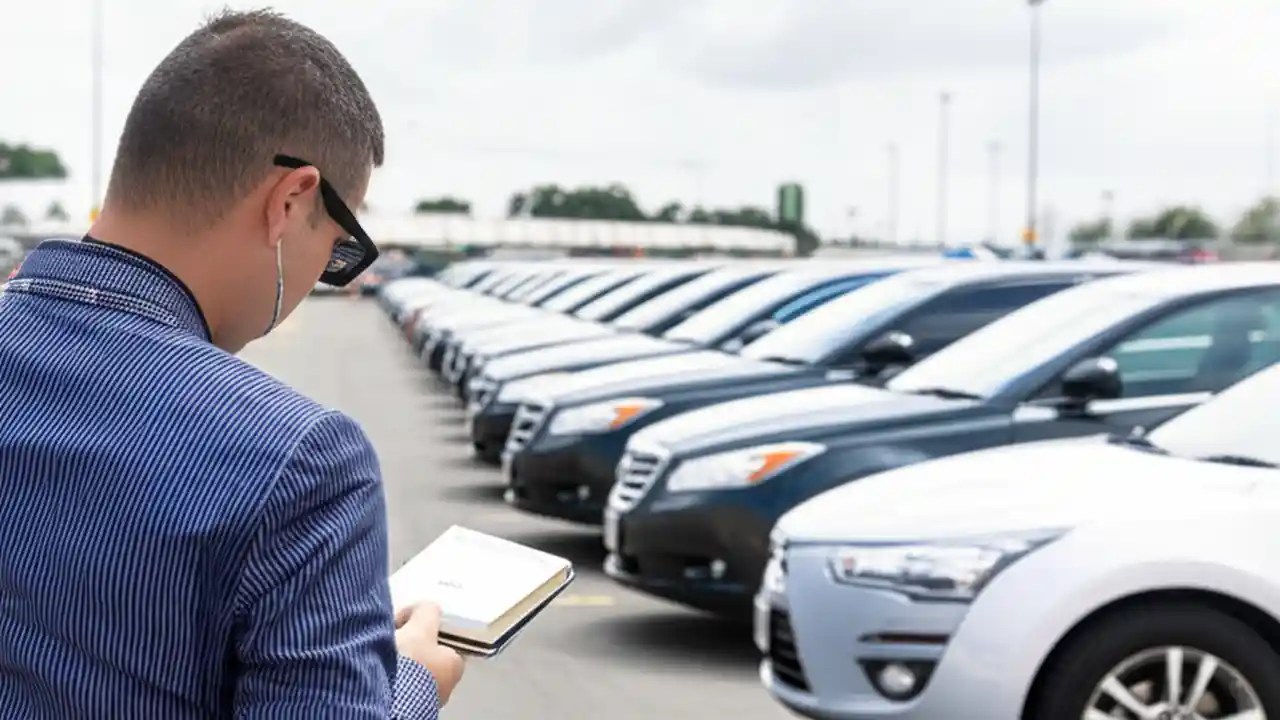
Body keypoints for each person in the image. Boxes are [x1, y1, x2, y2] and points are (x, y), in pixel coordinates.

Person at [0, 10, 463, 718]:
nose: (324, 276)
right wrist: (408, 684)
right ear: (290, 200)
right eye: (340, 249)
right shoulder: (302, 464)